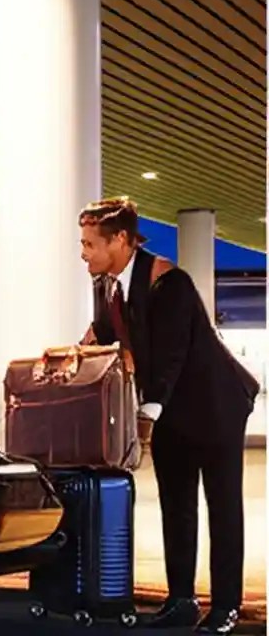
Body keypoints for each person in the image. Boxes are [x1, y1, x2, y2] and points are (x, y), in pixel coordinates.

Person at [78, 197, 258, 634]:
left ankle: (226, 607)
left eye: (89, 244)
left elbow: (172, 355)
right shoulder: (107, 285)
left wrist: (145, 419)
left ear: (120, 240)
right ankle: (181, 601)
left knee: (223, 507)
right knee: (176, 507)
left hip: (215, 404)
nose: (83, 253)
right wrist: (69, 361)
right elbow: (102, 336)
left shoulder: (168, 280)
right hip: (171, 407)